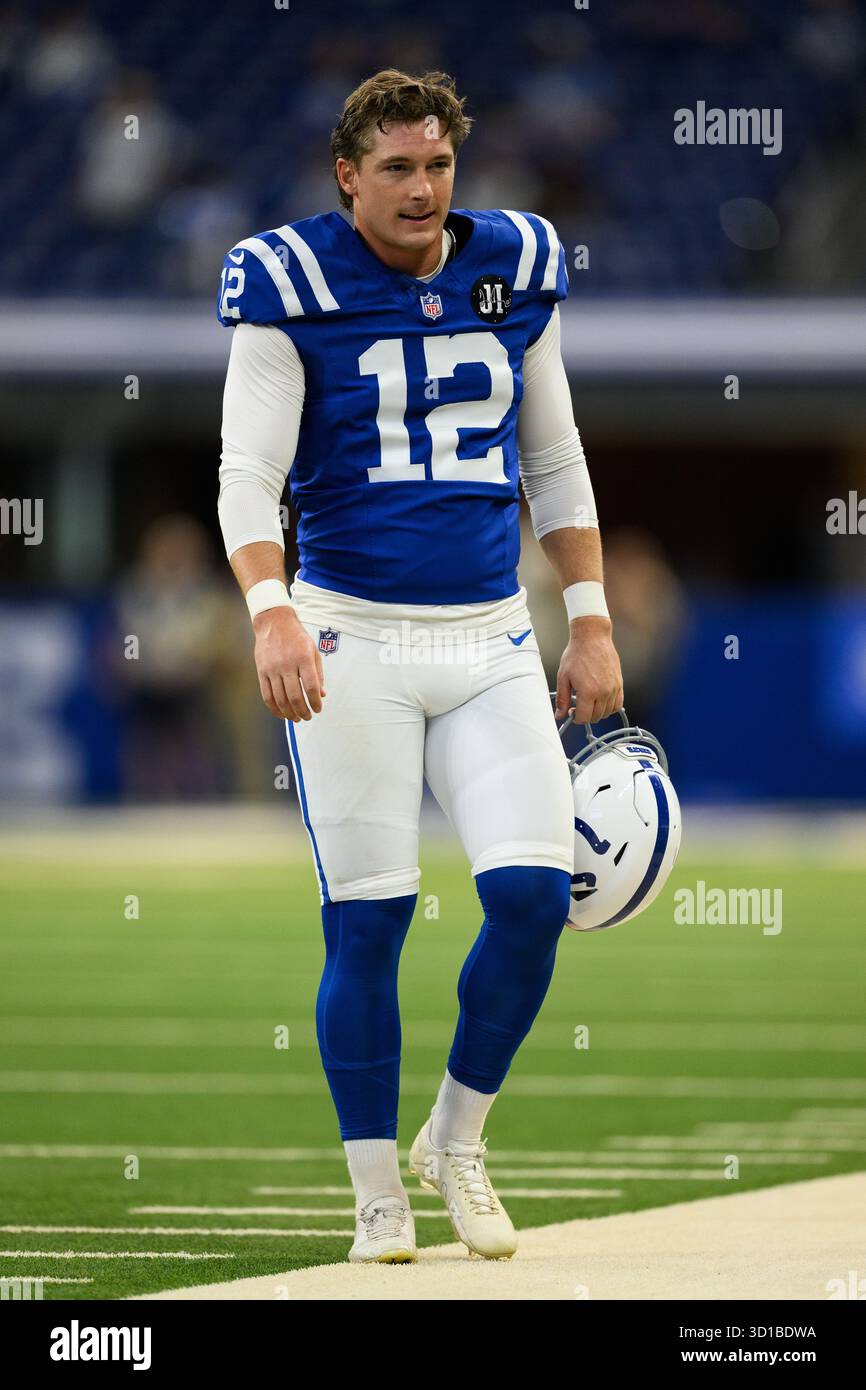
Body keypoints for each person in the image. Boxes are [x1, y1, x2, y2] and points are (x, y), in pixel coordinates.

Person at [216, 69, 623, 1264]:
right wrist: (269, 608)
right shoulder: (288, 280)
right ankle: (372, 1191)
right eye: (394, 167)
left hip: (492, 633)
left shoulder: (511, 264)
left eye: (437, 165)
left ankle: (453, 1135)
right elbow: (247, 471)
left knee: (532, 898)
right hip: (353, 635)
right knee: (370, 921)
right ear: (347, 175)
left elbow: (553, 457)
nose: (420, 188)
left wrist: (588, 618)